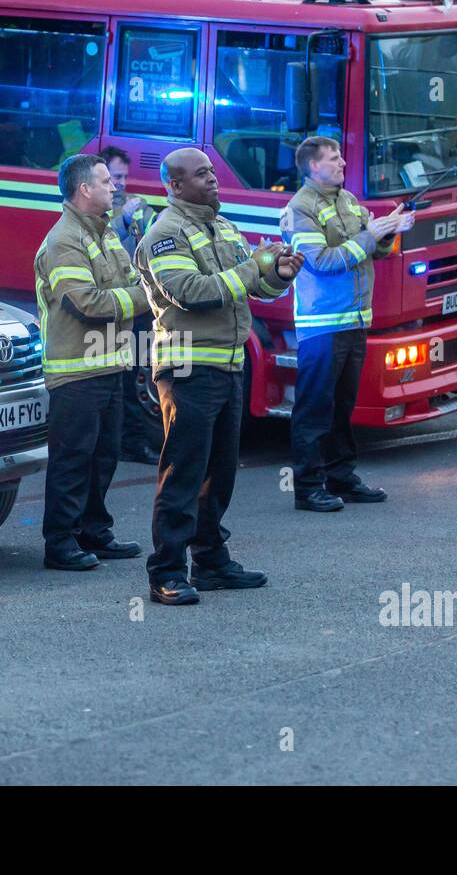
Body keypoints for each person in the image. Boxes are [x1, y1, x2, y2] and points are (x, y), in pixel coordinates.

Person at [134, 147, 303, 606]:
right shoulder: (164, 234)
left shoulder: (223, 226)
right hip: (188, 368)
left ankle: (209, 561)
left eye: (212, 172)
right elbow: (192, 293)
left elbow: (250, 289)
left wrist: (280, 276)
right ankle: (166, 572)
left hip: (228, 365)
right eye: (202, 174)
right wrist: (254, 266)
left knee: (220, 472)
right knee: (184, 471)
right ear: (174, 184)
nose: (213, 179)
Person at [281, 136, 413, 512]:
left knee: (342, 406)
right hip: (322, 324)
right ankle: (307, 487)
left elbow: (373, 249)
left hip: (354, 320)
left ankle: (341, 476)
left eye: (341, 156)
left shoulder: (348, 200)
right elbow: (322, 262)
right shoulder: (298, 210)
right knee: (314, 408)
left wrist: (388, 231)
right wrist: (370, 234)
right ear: (312, 167)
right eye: (333, 158)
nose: (342, 163)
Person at [34, 153, 151, 571]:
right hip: (75, 371)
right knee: (73, 459)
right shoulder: (65, 239)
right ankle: (60, 543)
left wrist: (140, 290)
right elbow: (87, 303)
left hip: (110, 364)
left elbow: (128, 281)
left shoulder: (105, 232)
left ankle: (94, 532)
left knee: (104, 456)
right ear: (84, 189)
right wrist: (148, 298)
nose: (114, 187)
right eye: (105, 181)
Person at [101, 146, 160, 465]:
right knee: (117, 380)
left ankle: (133, 442)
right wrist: (123, 220)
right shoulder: (96, 209)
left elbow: (153, 237)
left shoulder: (135, 205)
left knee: (134, 372)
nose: (121, 183)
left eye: (124, 176)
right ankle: (125, 443)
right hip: (111, 306)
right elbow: (103, 245)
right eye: (114, 177)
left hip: (136, 305)